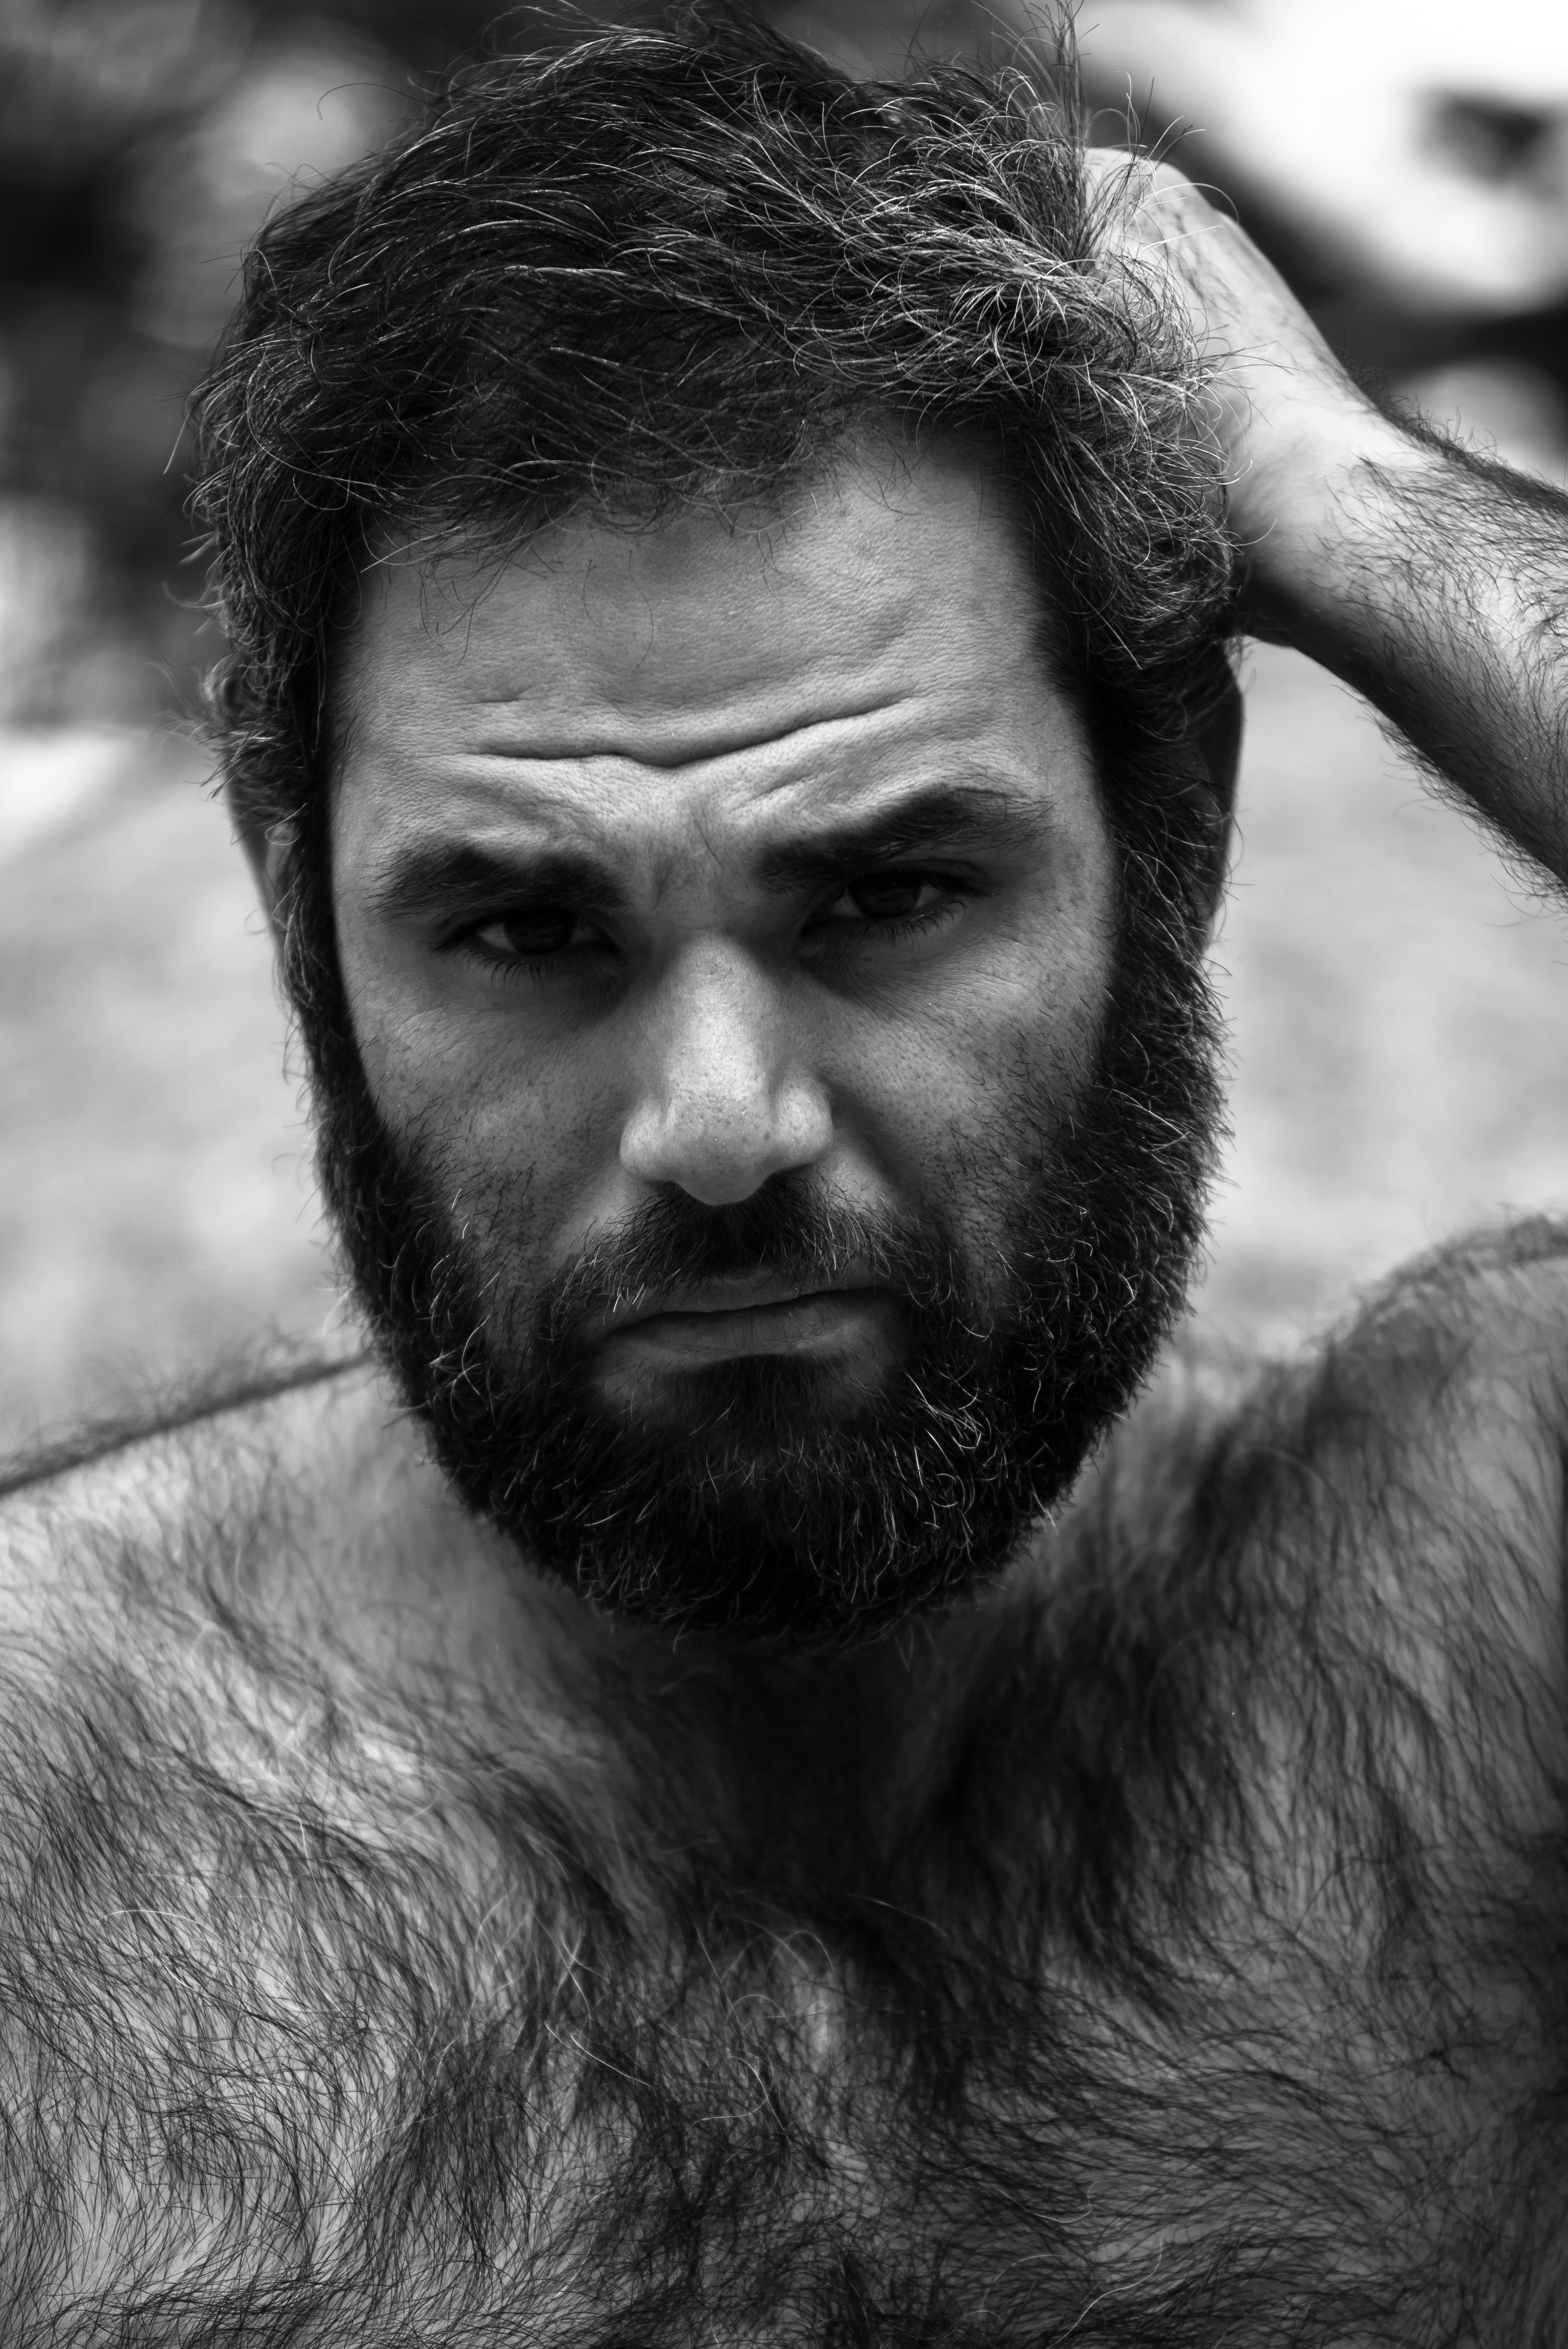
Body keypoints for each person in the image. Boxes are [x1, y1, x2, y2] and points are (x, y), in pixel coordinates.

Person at [2, 13, 1566, 2341]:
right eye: (526, 928)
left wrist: (1340, 498)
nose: (720, 1123)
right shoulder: (39, 1834)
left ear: (1178, 832)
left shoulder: (1488, 1619)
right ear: (295, 906)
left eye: (883, 894)